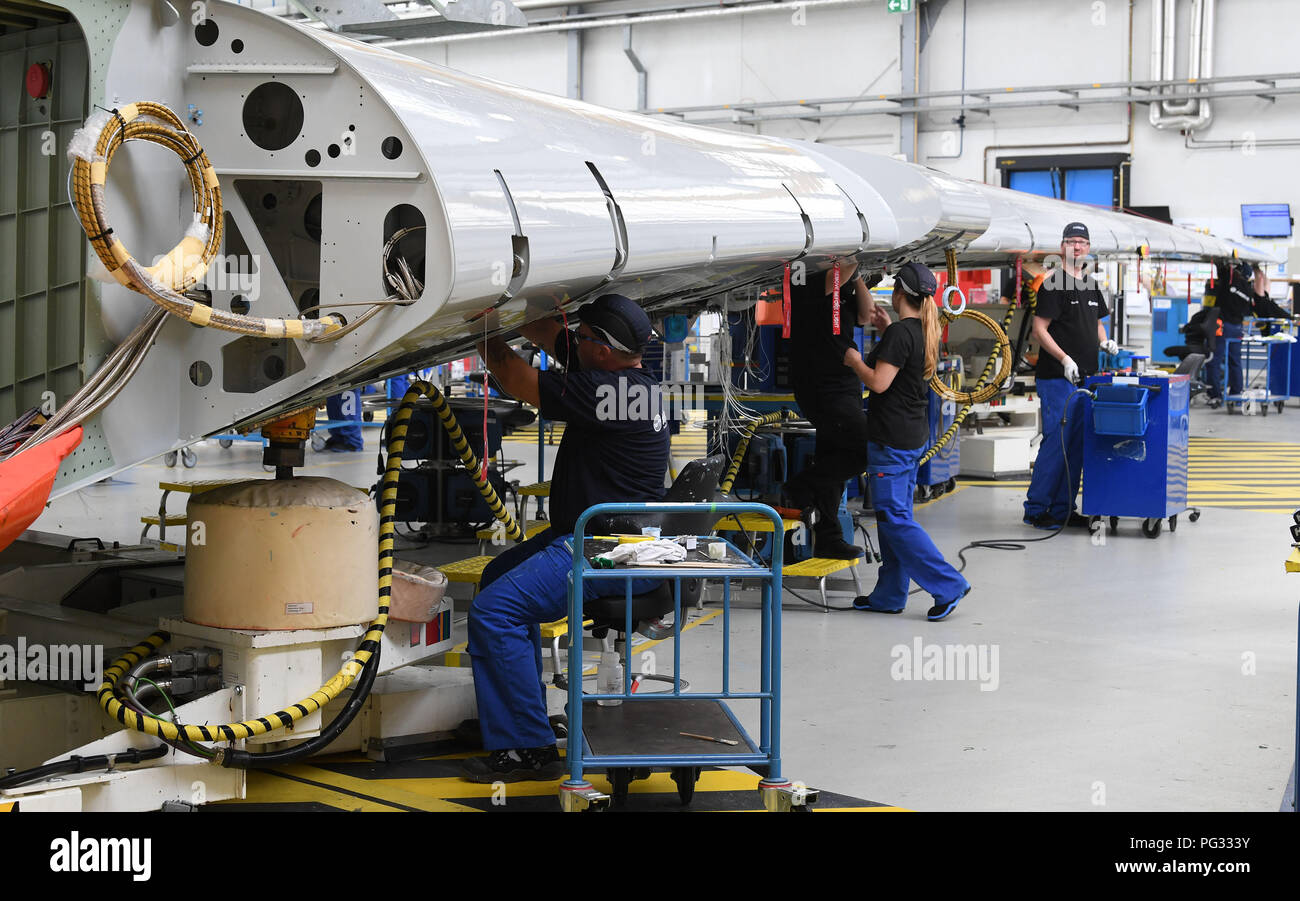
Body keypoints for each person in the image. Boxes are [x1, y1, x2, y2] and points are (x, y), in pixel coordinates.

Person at [459, 294, 669, 783]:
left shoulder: (602, 392)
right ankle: (514, 714)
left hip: (605, 550)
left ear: (602, 350)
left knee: (495, 610)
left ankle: (527, 749)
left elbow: (511, 375)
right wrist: (523, 298)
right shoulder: (629, 379)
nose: (576, 342)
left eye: (585, 337)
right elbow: (550, 335)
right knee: (496, 579)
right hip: (601, 536)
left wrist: (473, 318)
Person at [840, 261, 970, 621]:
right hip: (911, 437)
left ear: (899, 293)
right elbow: (900, 360)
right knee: (891, 516)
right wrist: (886, 328)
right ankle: (890, 594)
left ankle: (948, 584)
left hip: (892, 442)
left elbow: (878, 382)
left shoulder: (900, 335)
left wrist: (853, 360)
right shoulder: (925, 331)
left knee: (895, 518)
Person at [782, 259, 890, 559]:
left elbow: (866, 314)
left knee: (834, 458)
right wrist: (859, 252)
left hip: (845, 383)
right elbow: (837, 273)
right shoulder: (808, 279)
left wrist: (860, 279)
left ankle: (828, 538)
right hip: (820, 384)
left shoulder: (845, 282)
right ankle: (801, 486)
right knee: (863, 448)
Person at [1022, 222, 1117, 530]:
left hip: (1086, 379)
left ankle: (1063, 508)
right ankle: (1037, 508)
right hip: (1057, 378)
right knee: (1057, 442)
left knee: (1076, 444)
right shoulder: (1052, 283)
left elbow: (1097, 323)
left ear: (1088, 248)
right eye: (1071, 241)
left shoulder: (1090, 285)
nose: (1077, 247)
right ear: (1062, 247)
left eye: (1082, 242)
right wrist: (1063, 359)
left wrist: (1104, 340)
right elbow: (1040, 330)